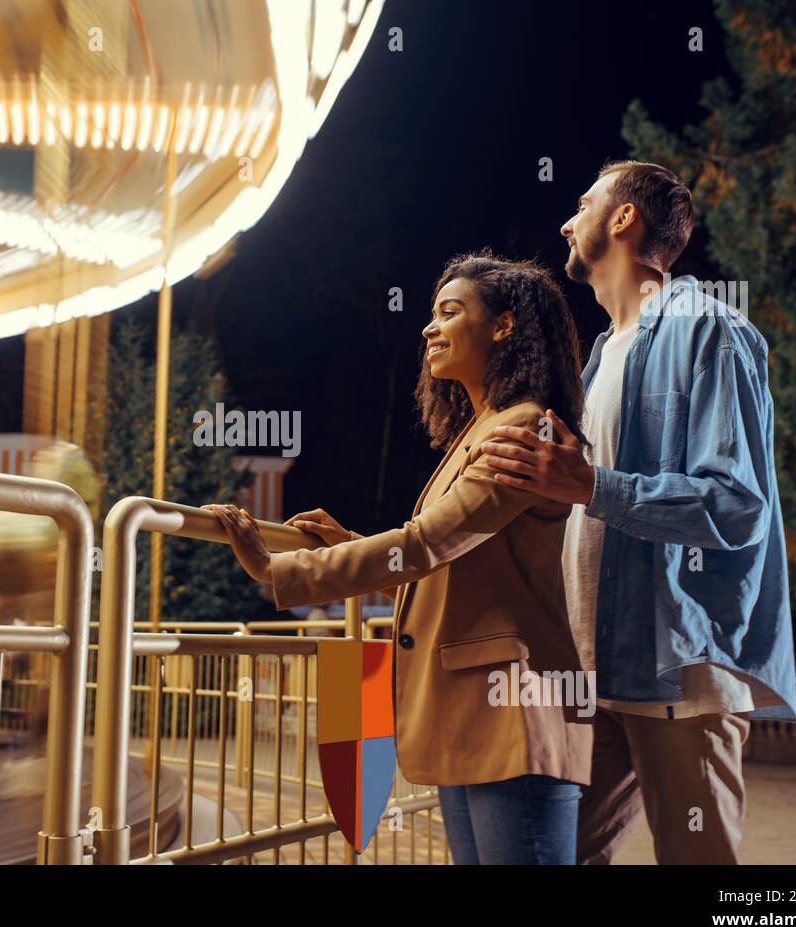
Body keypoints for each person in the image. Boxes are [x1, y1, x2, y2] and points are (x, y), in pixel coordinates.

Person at [208, 252, 592, 864]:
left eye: (449, 312)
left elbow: (425, 544)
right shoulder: (483, 427)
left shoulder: (522, 430)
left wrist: (276, 570)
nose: (428, 328)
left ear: (504, 325)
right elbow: (444, 558)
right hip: (473, 717)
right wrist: (349, 545)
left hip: (514, 715)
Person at [480, 160, 796, 864]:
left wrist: (594, 484)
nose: (567, 220)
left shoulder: (708, 332)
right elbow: (575, 503)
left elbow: (736, 504)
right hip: (595, 673)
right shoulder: (596, 363)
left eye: (585, 203)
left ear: (624, 219)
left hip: (678, 674)